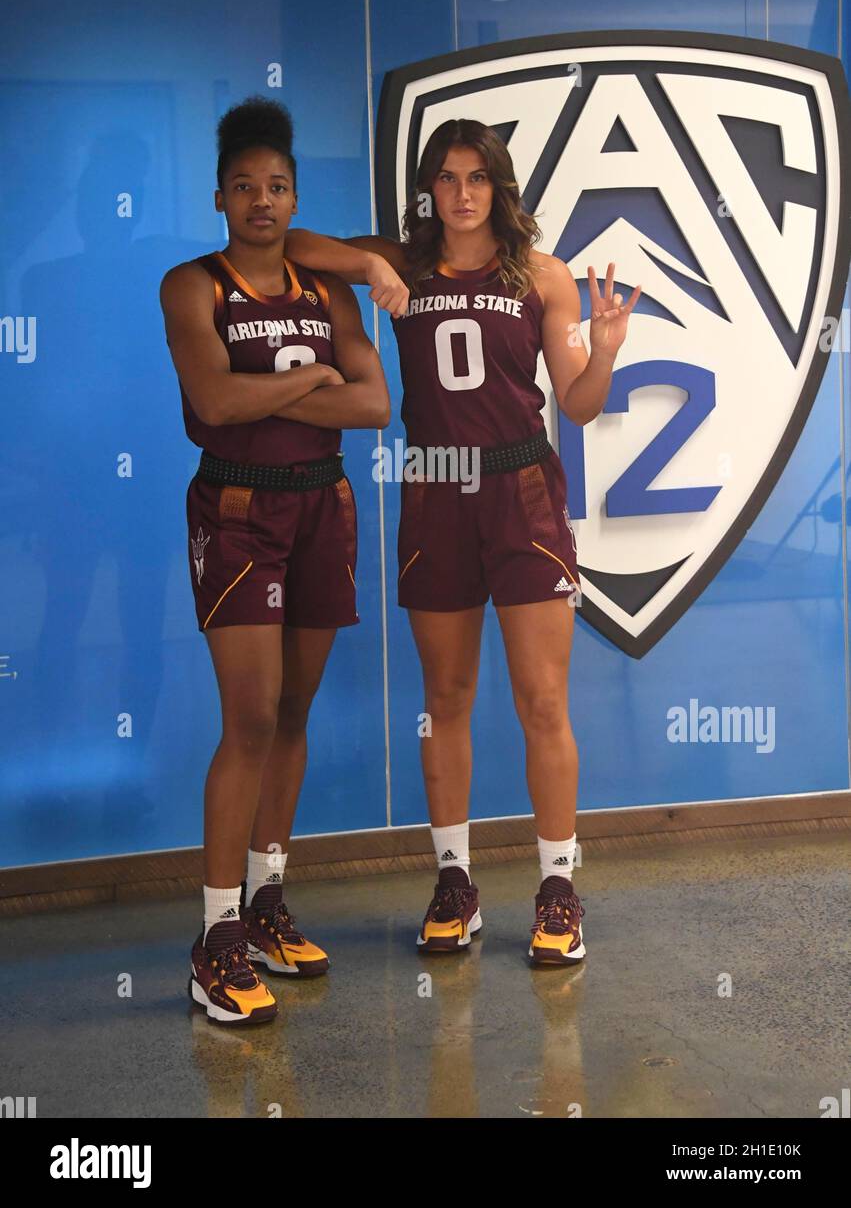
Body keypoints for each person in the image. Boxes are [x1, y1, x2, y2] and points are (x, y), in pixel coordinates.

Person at [284, 118, 640, 965]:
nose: (462, 193)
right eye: (445, 178)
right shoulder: (404, 261)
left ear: (500, 186)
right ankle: (454, 880)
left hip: (521, 490)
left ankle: (557, 884)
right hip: (435, 486)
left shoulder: (539, 276)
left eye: (477, 177)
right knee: (443, 698)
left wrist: (607, 352)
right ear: (428, 190)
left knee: (540, 701)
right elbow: (297, 242)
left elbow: (580, 405)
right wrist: (369, 263)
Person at [160, 97, 390, 1022]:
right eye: (247, 186)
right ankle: (213, 937)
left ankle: (263, 902)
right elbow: (214, 406)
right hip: (239, 506)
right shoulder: (193, 286)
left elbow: (374, 407)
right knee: (249, 717)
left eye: (279, 185)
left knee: (293, 711)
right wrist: (307, 380)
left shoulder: (326, 291)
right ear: (220, 197)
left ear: (296, 196)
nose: (263, 199)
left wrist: (276, 394)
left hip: (323, 506)